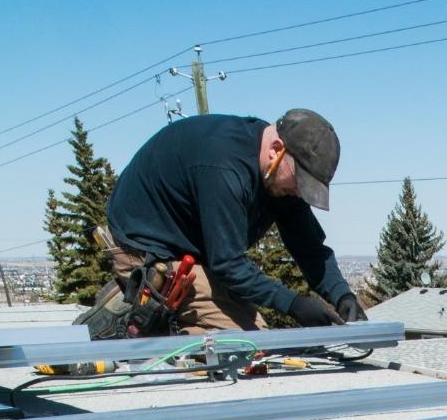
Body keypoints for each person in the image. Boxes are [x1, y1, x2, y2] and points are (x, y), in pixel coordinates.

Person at [101, 109, 366, 333]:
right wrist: (293, 304)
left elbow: (310, 249)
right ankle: (128, 319)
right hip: (143, 246)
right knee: (241, 345)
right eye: (300, 182)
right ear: (276, 151)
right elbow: (227, 264)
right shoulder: (224, 168)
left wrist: (342, 295)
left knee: (255, 337)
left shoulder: (281, 178)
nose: (299, 192)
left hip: (196, 248)